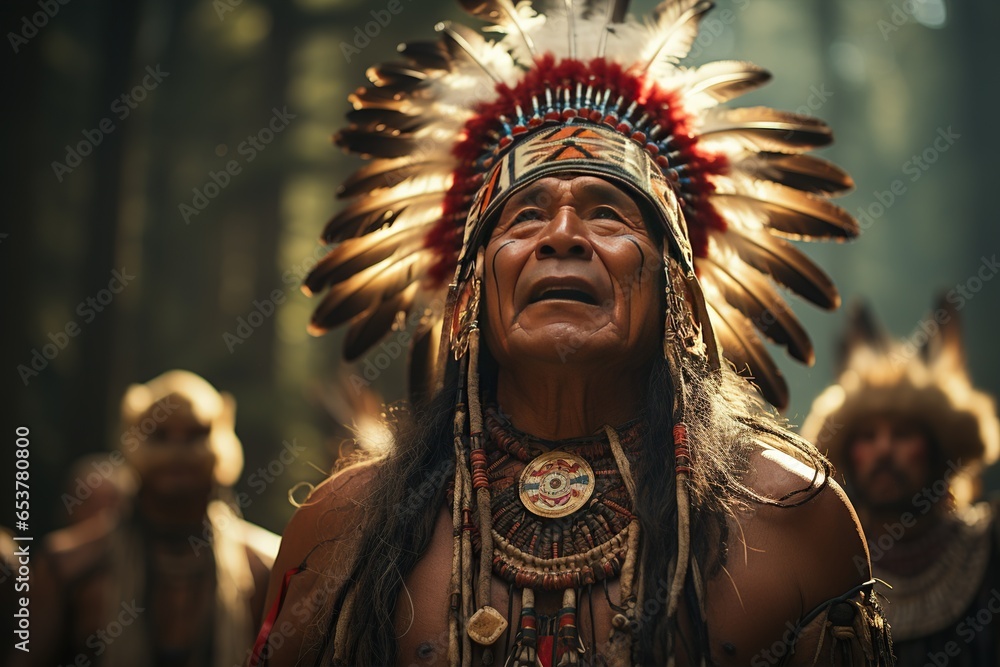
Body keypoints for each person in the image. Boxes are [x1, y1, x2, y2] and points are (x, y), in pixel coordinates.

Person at [253, 1, 893, 665]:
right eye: (525, 217)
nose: (561, 235)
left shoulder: (792, 517)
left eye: (607, 213)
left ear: (676, 293)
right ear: (469, 296)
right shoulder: (340, 529)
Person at [13, 370, 280, 667]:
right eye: (160, 435)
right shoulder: (68, 568)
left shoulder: (267, 568)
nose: (177, 451)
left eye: (195, 434)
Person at [801, 300, 1000, 666]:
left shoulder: (990, 546)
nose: (884, 450)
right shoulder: (825, 566)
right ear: (848, 454)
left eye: (903, 433)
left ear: (938, 450)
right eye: (868, 436)